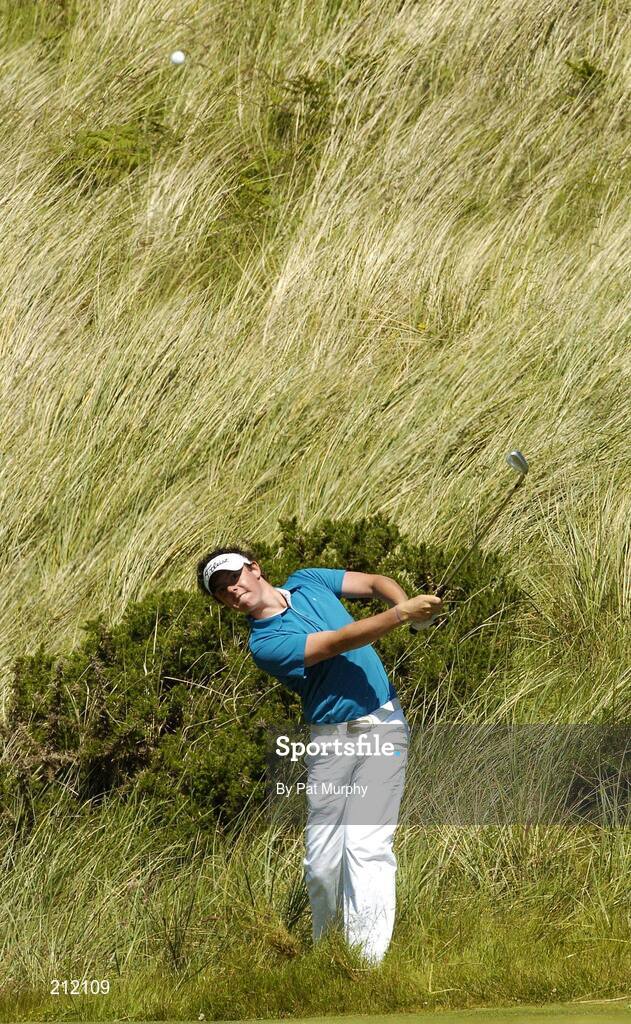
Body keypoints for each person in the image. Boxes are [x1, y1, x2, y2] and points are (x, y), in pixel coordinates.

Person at [196, 546, 443, 963]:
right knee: (323, 863)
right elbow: (336, 642)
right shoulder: (265, 643)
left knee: (367, 846)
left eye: (234, 578)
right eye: (222, 591)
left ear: (255, 569)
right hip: (330, 743)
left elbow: (372, 583)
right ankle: (328, 950)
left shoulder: (309, 578)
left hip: (384, 725)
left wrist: (403, 603)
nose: (232, 591)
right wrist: (402, 616)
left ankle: (366, 965)